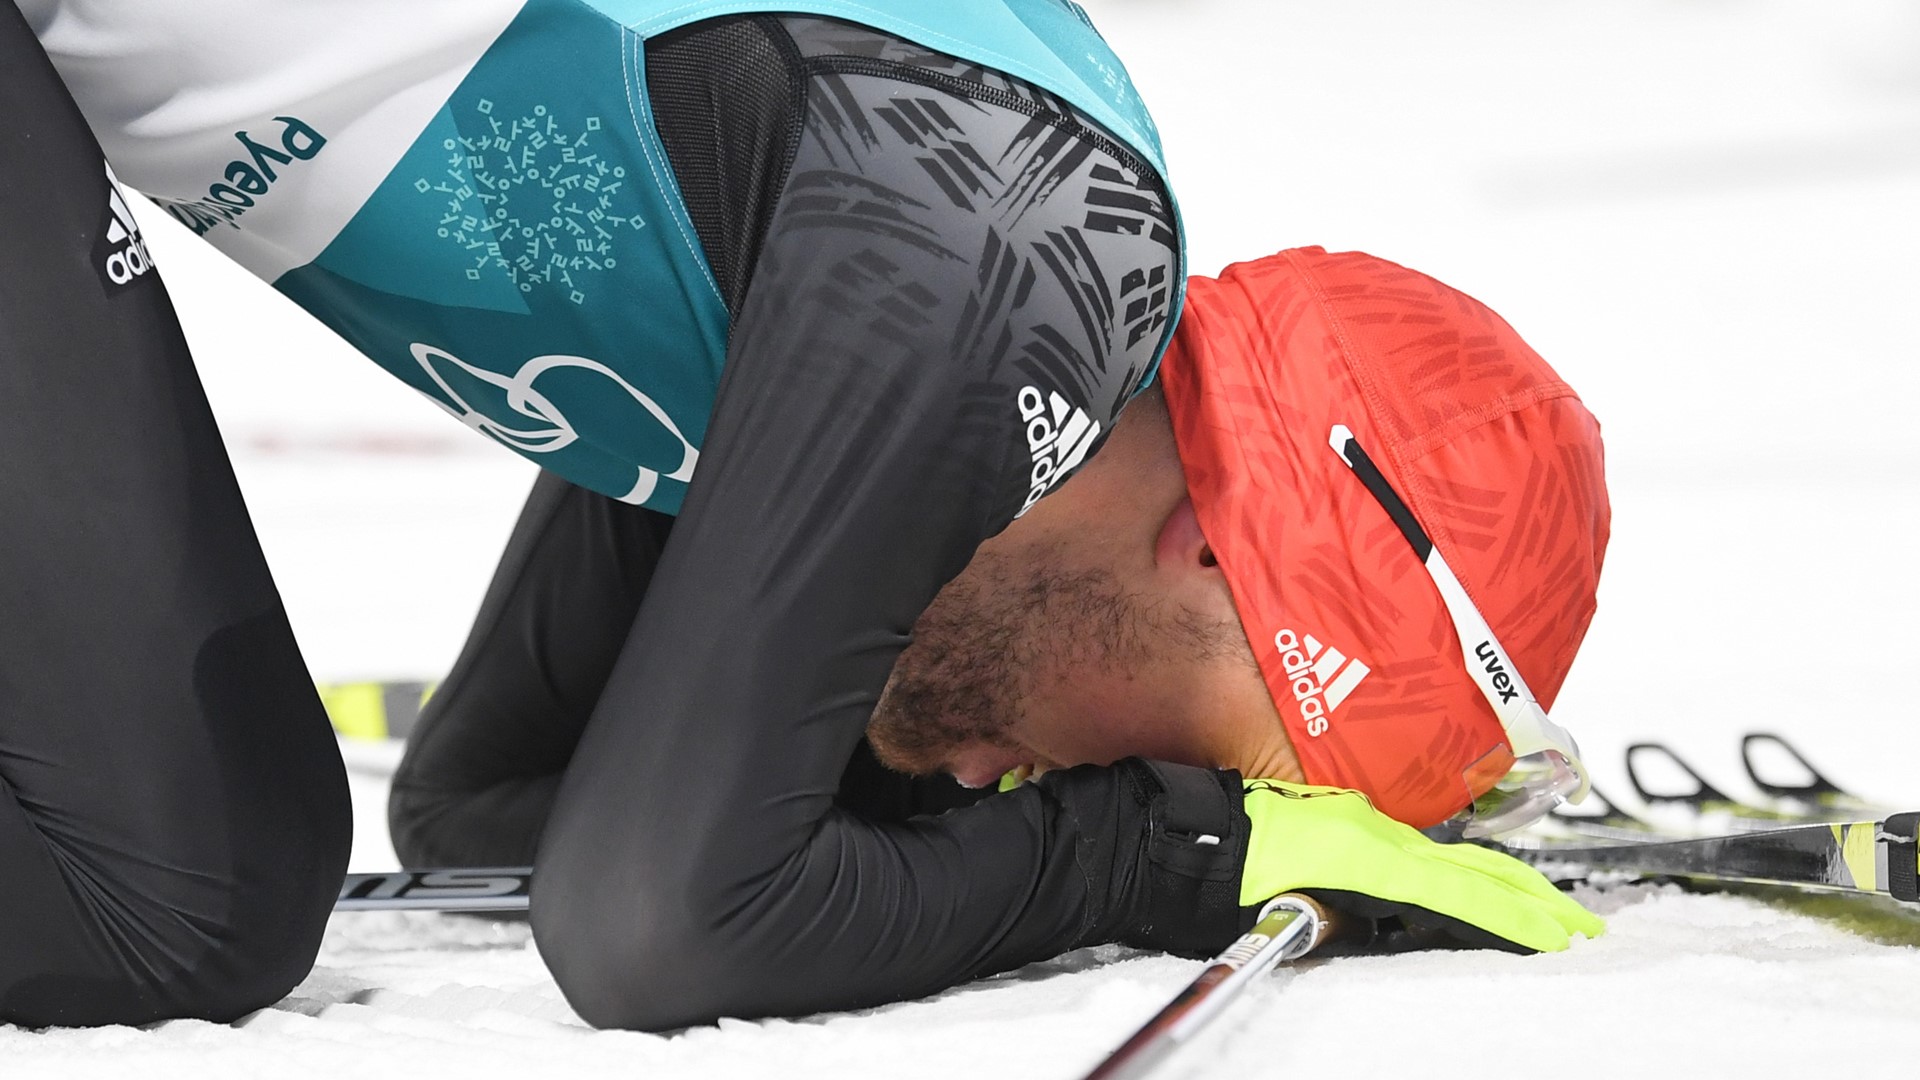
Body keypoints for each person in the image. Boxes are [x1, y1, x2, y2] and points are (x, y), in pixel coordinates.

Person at [3, 0, 1606, 1032]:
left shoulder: (967, 238)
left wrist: (965, 836)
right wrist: (1162, 854)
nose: (1028, 779)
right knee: (177, 897)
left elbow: (505, 797)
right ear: (1213, 551)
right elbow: (656, 924)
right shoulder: (996, 276)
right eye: (1164, 749)